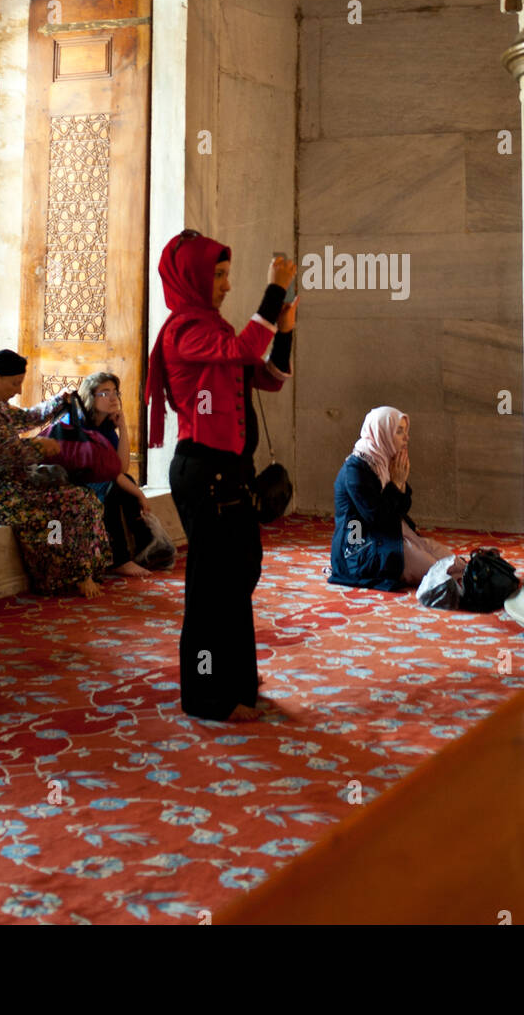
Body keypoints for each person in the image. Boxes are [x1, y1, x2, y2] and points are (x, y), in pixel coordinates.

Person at [146, 231, 298, 722]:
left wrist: (286, 329)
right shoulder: (184, 331)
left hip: (231, 474)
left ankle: (237, 683)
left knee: (239, 576)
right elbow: (244, 347)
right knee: (212, 591)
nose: (227, 285)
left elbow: (269, 378)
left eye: (227, 274)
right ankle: (209, 695)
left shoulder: (214, 329)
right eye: (218, 274)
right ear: (191, 276)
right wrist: (273, 292)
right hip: (202, 473)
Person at [0, 349, 112, 599]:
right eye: (14, 383)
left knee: (85, 497)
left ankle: (89, 571)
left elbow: (27, 418)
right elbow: (0, 454)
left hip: (17, 484)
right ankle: (69, 577)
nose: (19, 391)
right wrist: (36, 447)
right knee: (71, 503)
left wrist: (58, 401)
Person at [47, 372, 163, 578]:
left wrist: (123, 428)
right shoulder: (75, 423)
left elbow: (121, 468)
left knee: (125, 482)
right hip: (68, 485)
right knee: (115, 490)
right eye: (105, 393)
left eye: (115, 392)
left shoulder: (106, 425)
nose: (113, 398)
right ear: (90, 397)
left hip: (96, 481)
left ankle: (143, 550)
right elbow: (109, 473)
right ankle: (122, 559)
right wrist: (140, 495)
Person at [329, 406, 453, 590]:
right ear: (382, 433)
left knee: (450, 560)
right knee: (439, 572)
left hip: (387, 535)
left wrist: (400, 484)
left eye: (406, 431)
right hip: (358, 548)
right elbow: (378, 518)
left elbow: (401, 509)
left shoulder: (383, 462)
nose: (406, 438)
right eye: (400, 431)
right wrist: (395, 485)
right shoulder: (355, 470)